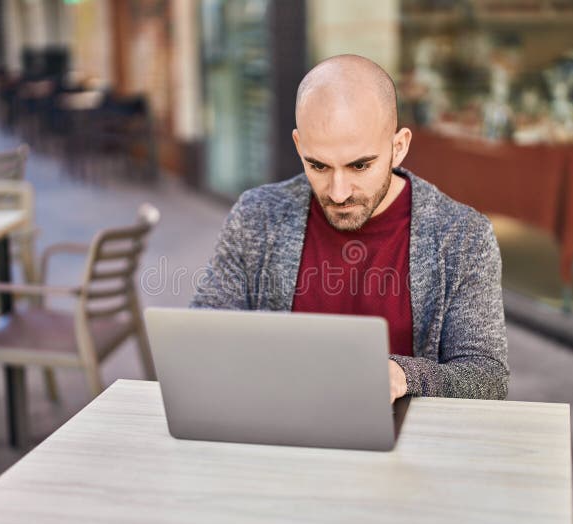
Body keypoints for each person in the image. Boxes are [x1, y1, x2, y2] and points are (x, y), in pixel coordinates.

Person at [192, 54, 508, 402]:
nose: (338, 193)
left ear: (398, 147)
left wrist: (404, 376)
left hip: (407, 446)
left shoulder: (463, 237)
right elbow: (203, 336)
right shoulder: (257, 217)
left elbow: (487, 377)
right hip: (279, 437)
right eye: (318, 165)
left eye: (359, 165)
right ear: (299, 146)